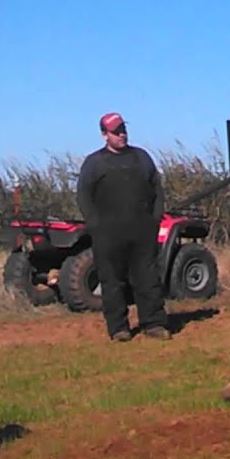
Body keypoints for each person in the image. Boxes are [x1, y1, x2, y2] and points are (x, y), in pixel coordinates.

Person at [76, 112, 172, 342]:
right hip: (108, 234)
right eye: (116, 131)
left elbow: (157, 189)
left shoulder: (141, 157)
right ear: (104, 135)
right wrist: (96, 226)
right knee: (112, 281)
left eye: (123, 130)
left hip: (142, 231)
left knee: (147, 278)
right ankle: (119, 328)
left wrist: (155, 219)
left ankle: (154, 323)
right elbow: (83, 196)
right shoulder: (94, 163)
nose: (122, 135)